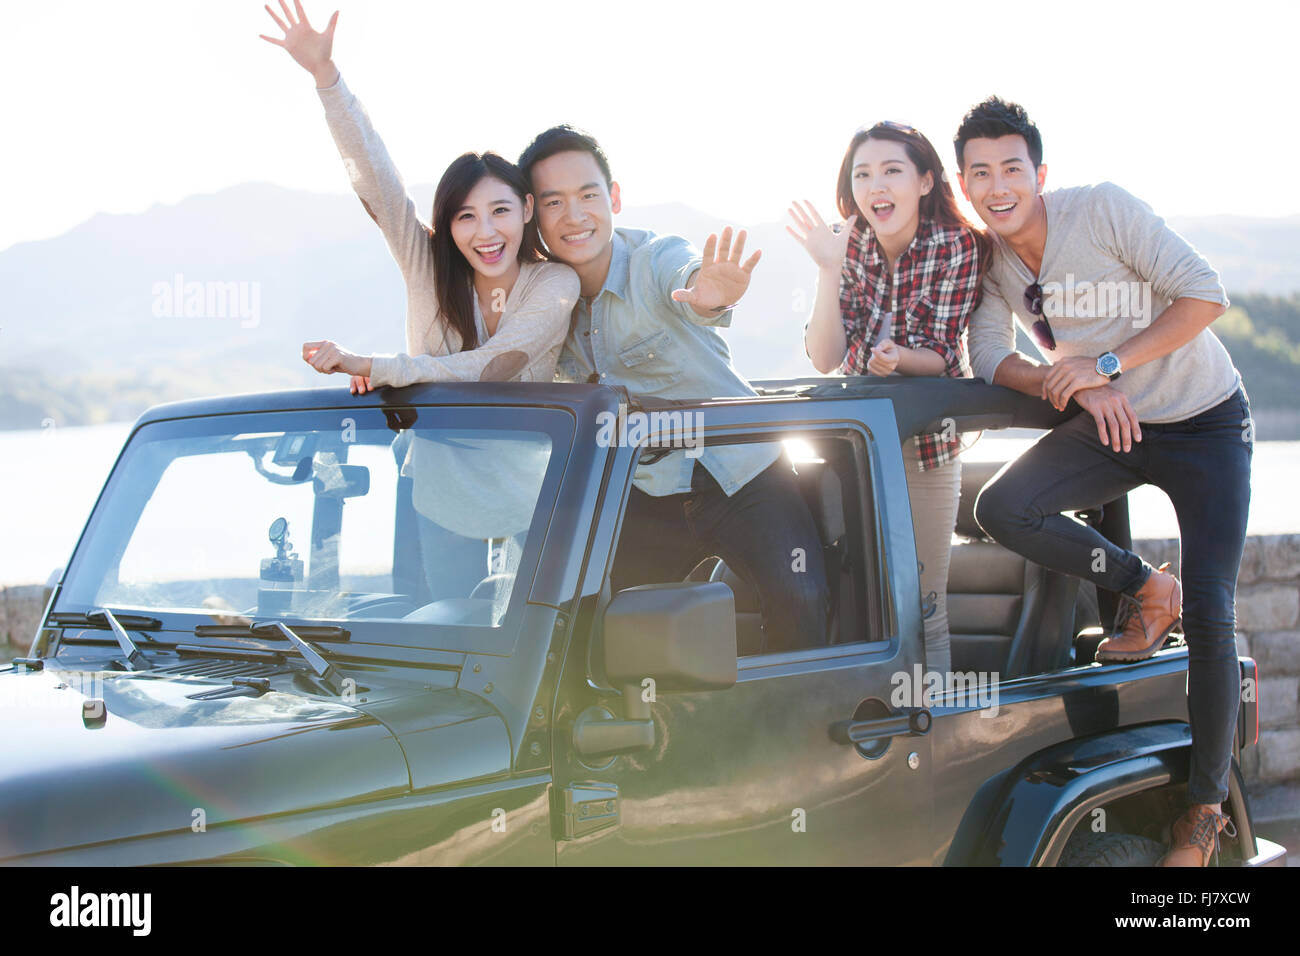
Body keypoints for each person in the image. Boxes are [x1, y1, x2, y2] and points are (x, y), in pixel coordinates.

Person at [957, 96, 1250, 866]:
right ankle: (1144, 585)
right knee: (1004, 506)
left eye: (1010, 168)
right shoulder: (993, 261)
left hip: (1207, 422)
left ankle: (1204, 813)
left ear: (1039, 173)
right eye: (979, 173)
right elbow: (987, 354)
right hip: (1116, 427)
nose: (996, 186)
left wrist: (1109, 363)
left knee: (1215, 612)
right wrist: (1075, 383)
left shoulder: (1104, 210)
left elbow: (1207, 294)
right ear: (962, 184)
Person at [260, 3, 580, 605]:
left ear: (528, 211)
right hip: (437, 494)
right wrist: (328, 80)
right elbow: (376, 179)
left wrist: (378, 368)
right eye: (465, 216)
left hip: (533, 497)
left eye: (500, 211)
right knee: (442, 636)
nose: (485, 232)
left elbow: (488, 372)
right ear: (447, 225)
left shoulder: (553, 284)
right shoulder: (426, 265)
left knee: (540, 651)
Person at [516, 126, 830, 655]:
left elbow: (687, 281)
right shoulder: (546, 297)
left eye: (588, 195)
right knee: (602, 630)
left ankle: (798, 732)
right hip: (647, 487)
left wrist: (708, 295)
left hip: (743, 473)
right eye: (554, 202)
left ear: (613, 197)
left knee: (802, 599)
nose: (575, 216)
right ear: (534, 214)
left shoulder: (654, 257)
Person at [786, 121, 986, 678]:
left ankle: (940, 738)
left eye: (892, 170)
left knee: (924, 607)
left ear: (924, 181)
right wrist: (828, 269)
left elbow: (944, 354)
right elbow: (825, 356)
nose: (877, 184)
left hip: (925, 447)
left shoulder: (957, 245)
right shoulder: (843, 244)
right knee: (852, 598)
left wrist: (897, 359)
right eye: (863, 173)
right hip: (851, 447)